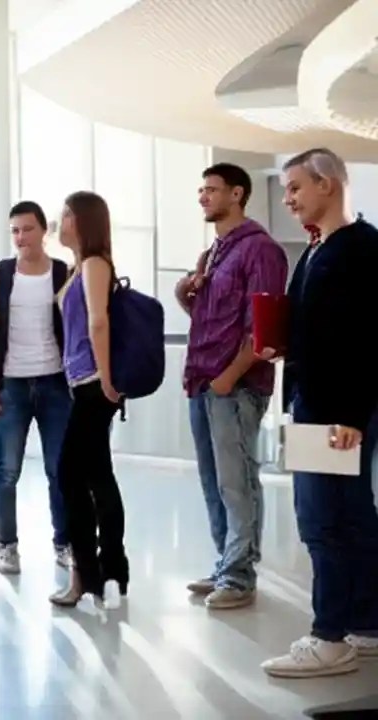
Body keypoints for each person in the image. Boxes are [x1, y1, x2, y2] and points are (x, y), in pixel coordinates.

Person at [259, 148, 378, 679]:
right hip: (317, 403)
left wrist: (351, 413)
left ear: (328, 184)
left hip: (334, 411)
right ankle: (366, 625)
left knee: (323, 521)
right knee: (350, 516)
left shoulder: (359, 249)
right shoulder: (318, 249)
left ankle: (329, 636)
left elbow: (364, 340)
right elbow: (322, 329)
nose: (288, 199)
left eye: (295, 187)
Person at [173, 163, 287, 610]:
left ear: (237, 194)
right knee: (215, 481)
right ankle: (226, 563)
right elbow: (211, 319)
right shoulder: (216, 253)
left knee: (237, 482)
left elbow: (262, 331)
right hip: (203, 381)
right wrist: (187, 291)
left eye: (212, 190)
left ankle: (240, 576)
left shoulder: (260, 250)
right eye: (200, 189)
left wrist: (227, 378)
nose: (203, 197)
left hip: (234, 386)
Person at [0, 200, 72, 575]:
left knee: (59, 470)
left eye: (27, 229)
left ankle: (64, 542)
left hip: (55, 385)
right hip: (11, 385)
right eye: (14, 231)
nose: (20, 238)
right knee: (6, 470)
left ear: (43, 230)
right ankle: (6, 544)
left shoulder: (64, 273)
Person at [48, 191, 127, 609]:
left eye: (65, 214)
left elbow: (99, 322)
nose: (59, 221)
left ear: (83, 220)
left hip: (96, 384)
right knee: (97, 476)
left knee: (69, 476)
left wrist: (109, 381)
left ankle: (85, 573)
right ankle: (111, 567)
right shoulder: (78, 267)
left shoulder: (95, 264)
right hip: (83, 382)